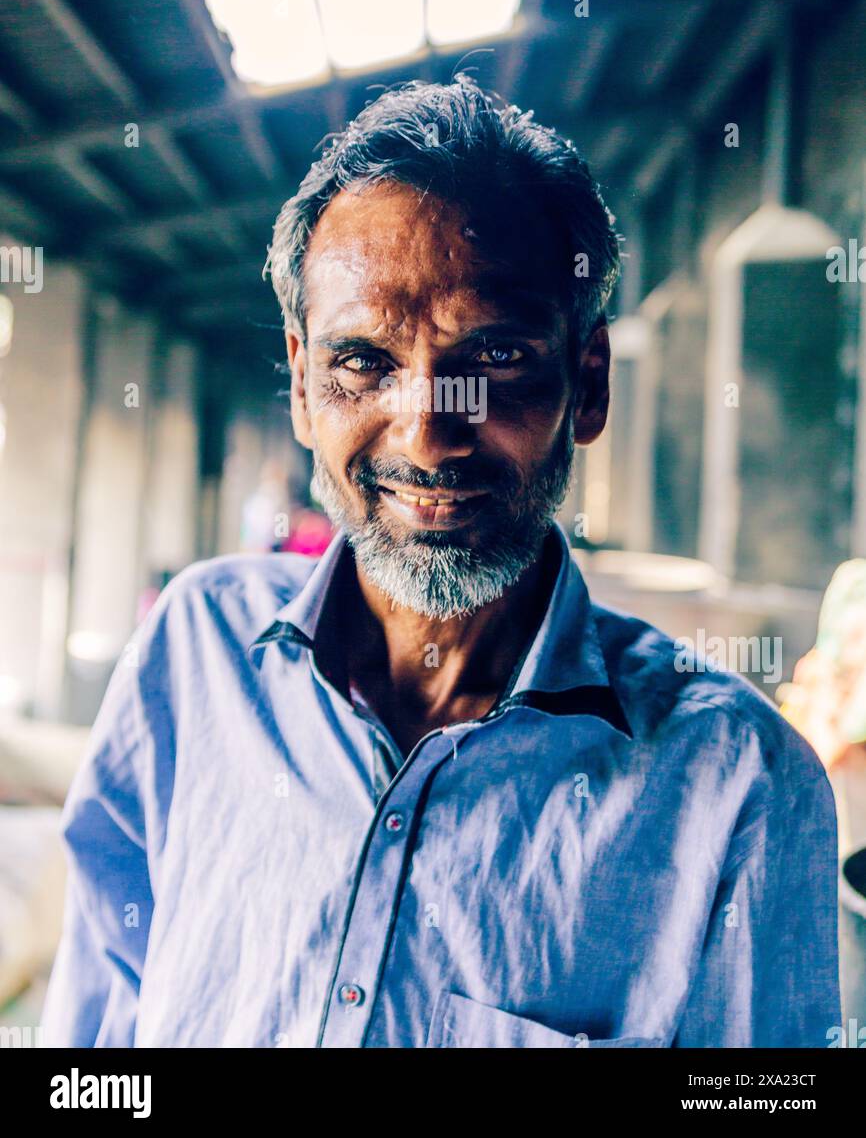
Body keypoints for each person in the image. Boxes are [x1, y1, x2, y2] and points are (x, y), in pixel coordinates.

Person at [42, 76, 840, 1048]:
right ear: (300, 386)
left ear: (586, 385)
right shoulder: (193, 653)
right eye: (362, 362)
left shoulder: (736, 786)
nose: (427, 436)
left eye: (494, 357)